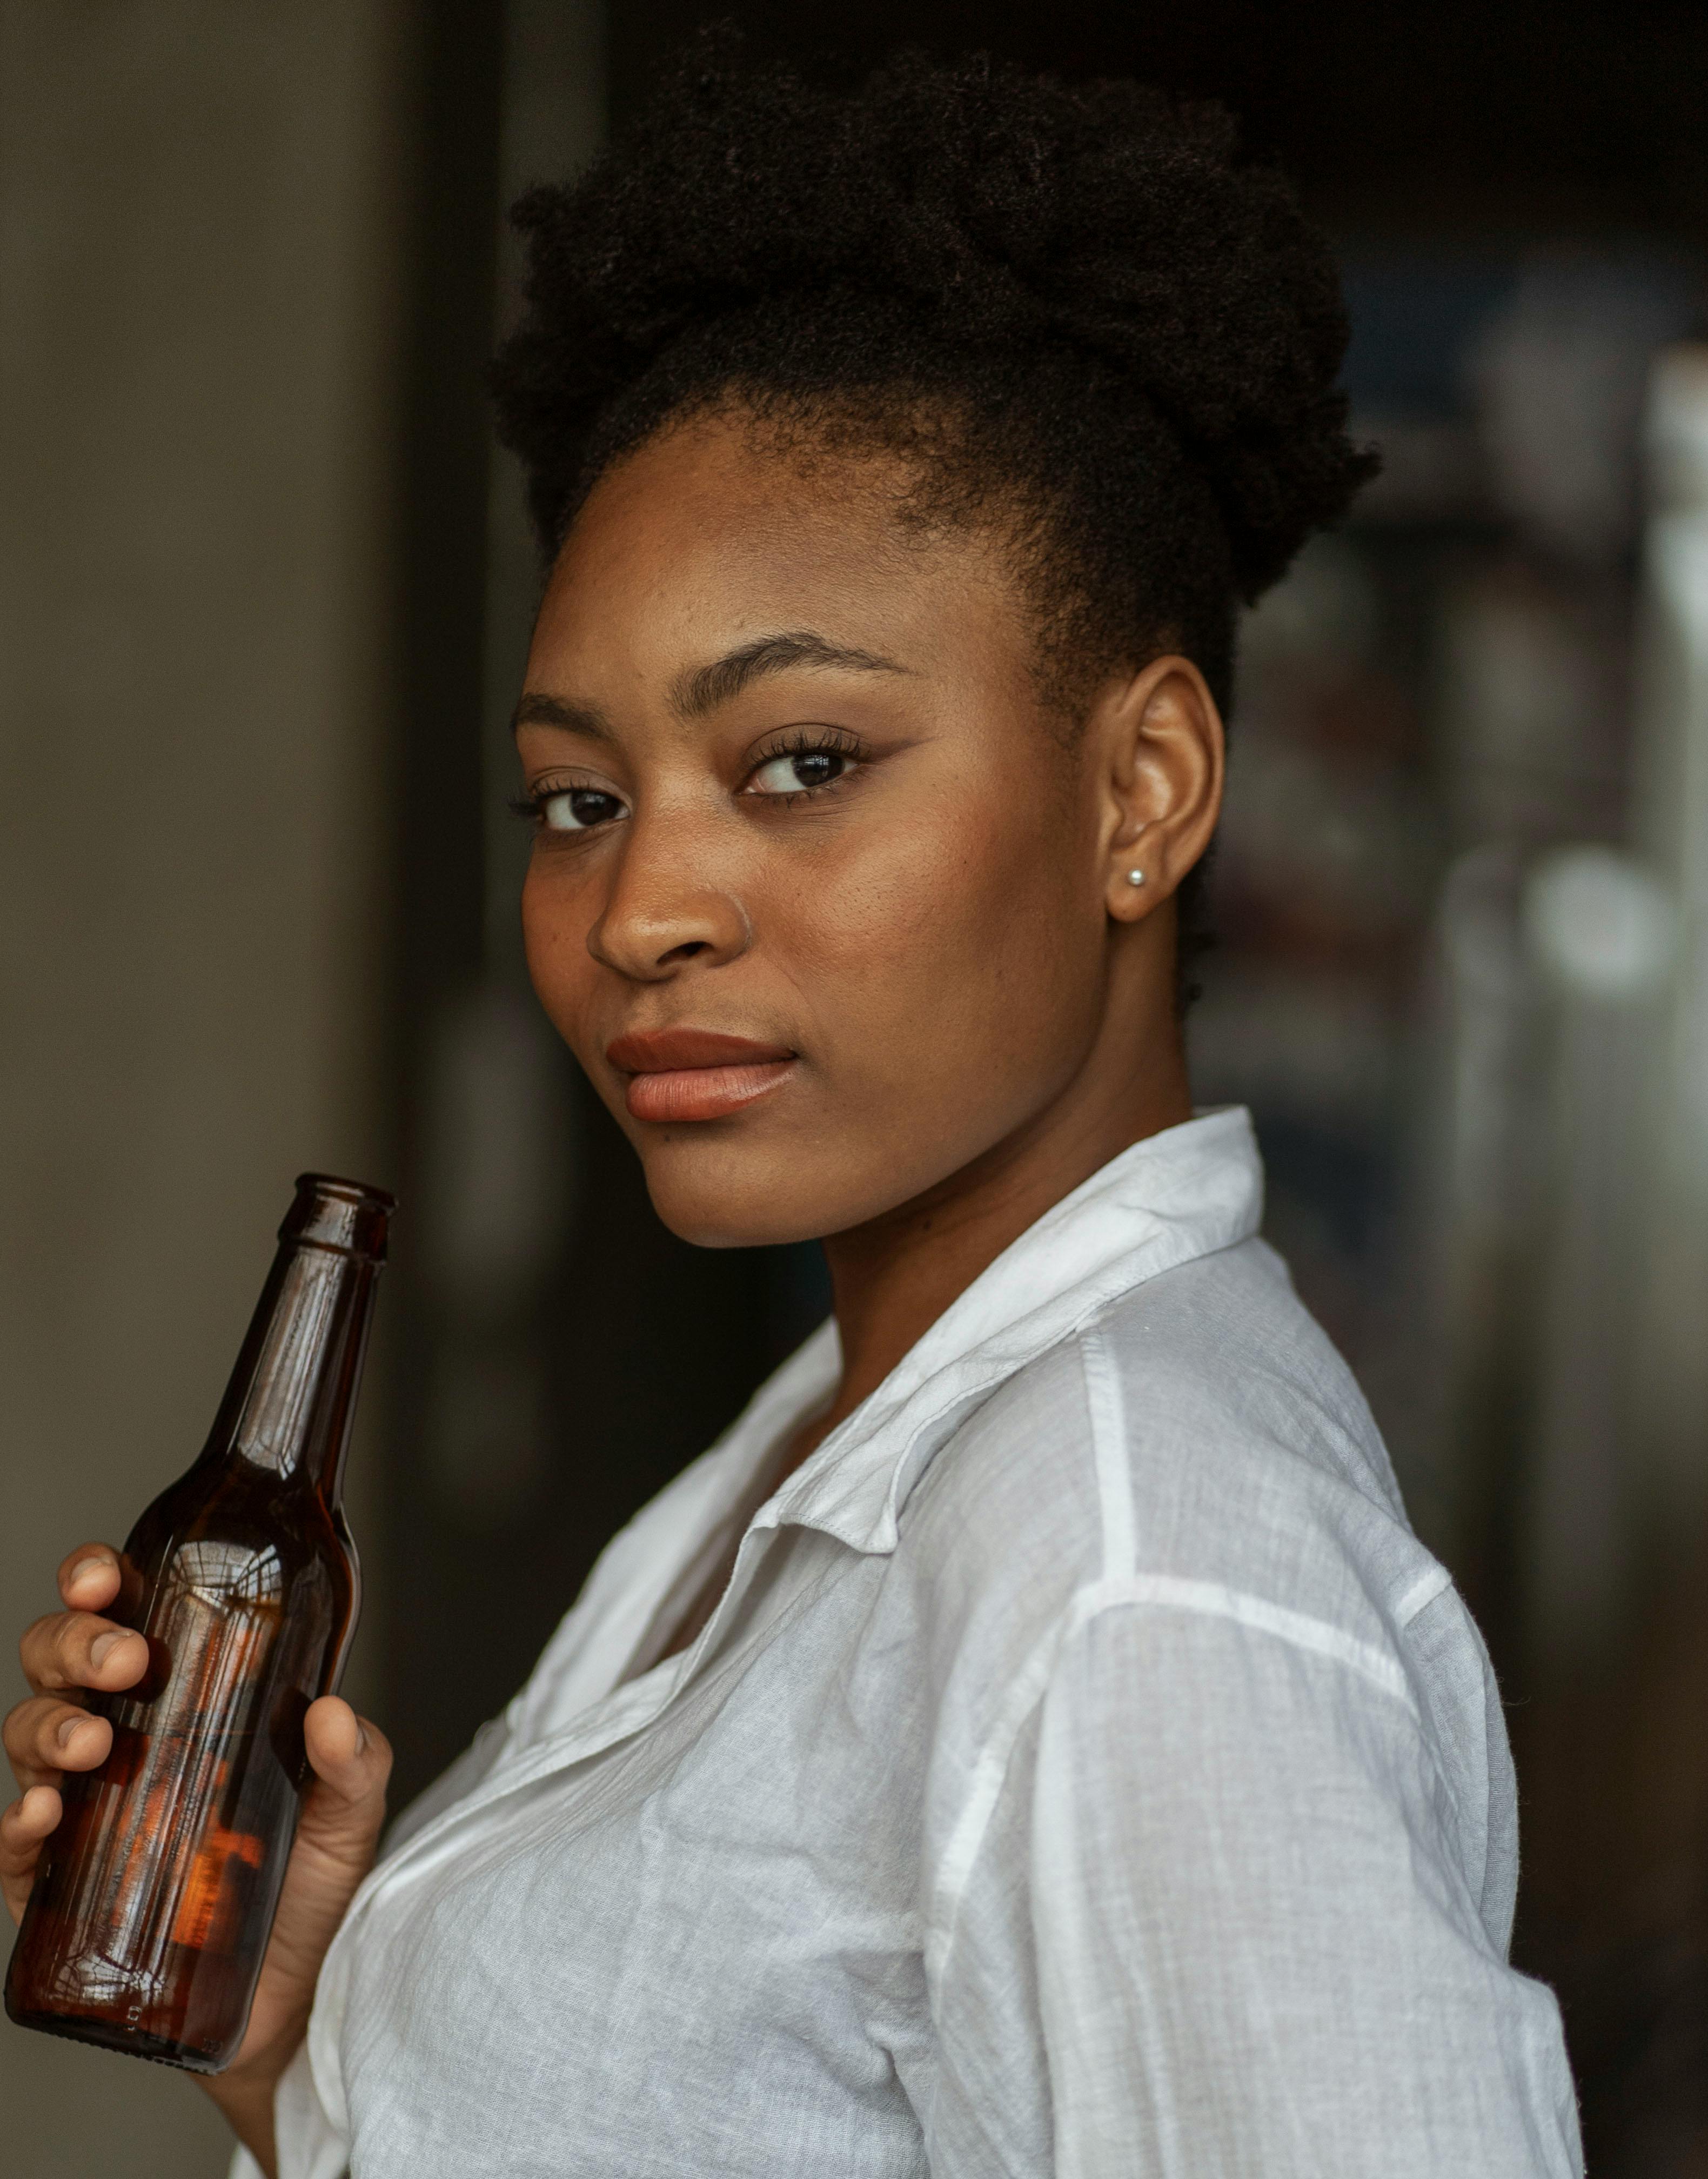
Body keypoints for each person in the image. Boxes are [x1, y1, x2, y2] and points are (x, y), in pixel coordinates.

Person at [4, 42, 1583, 2179]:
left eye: (804, 764)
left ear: (1141, 791)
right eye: (578, 799)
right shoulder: (842, 1444)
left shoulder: (1132, 1560)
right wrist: (303, 2041)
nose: (639, 907)